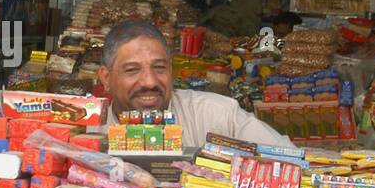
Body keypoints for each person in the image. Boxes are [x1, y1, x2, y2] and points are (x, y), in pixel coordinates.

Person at [98, 19, 291, 147]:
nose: (149, 82)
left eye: (159, 68)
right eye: (132, 70)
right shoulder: (87, 130)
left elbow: (291, 160)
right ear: (106, 78)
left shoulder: (215, 115)